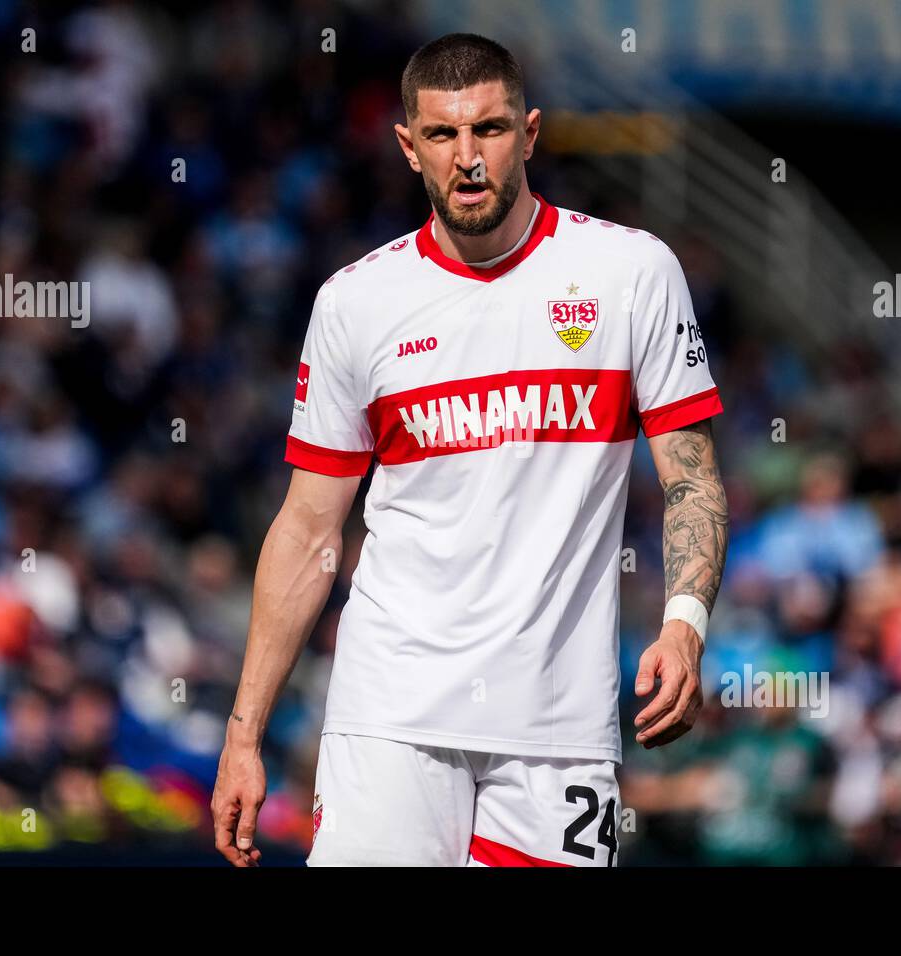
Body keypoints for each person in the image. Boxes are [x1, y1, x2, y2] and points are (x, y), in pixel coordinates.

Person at [211, 32, 729, 867]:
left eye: (488, 130)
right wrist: (245, 733)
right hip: (391, 711)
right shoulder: (356, 303)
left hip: (558, 724)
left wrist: (684, 627)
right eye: (445, 135)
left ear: (528, 134)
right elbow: (310, 529)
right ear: (408, 147)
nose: (469, 158)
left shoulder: (631, 273)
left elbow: (692, 480)